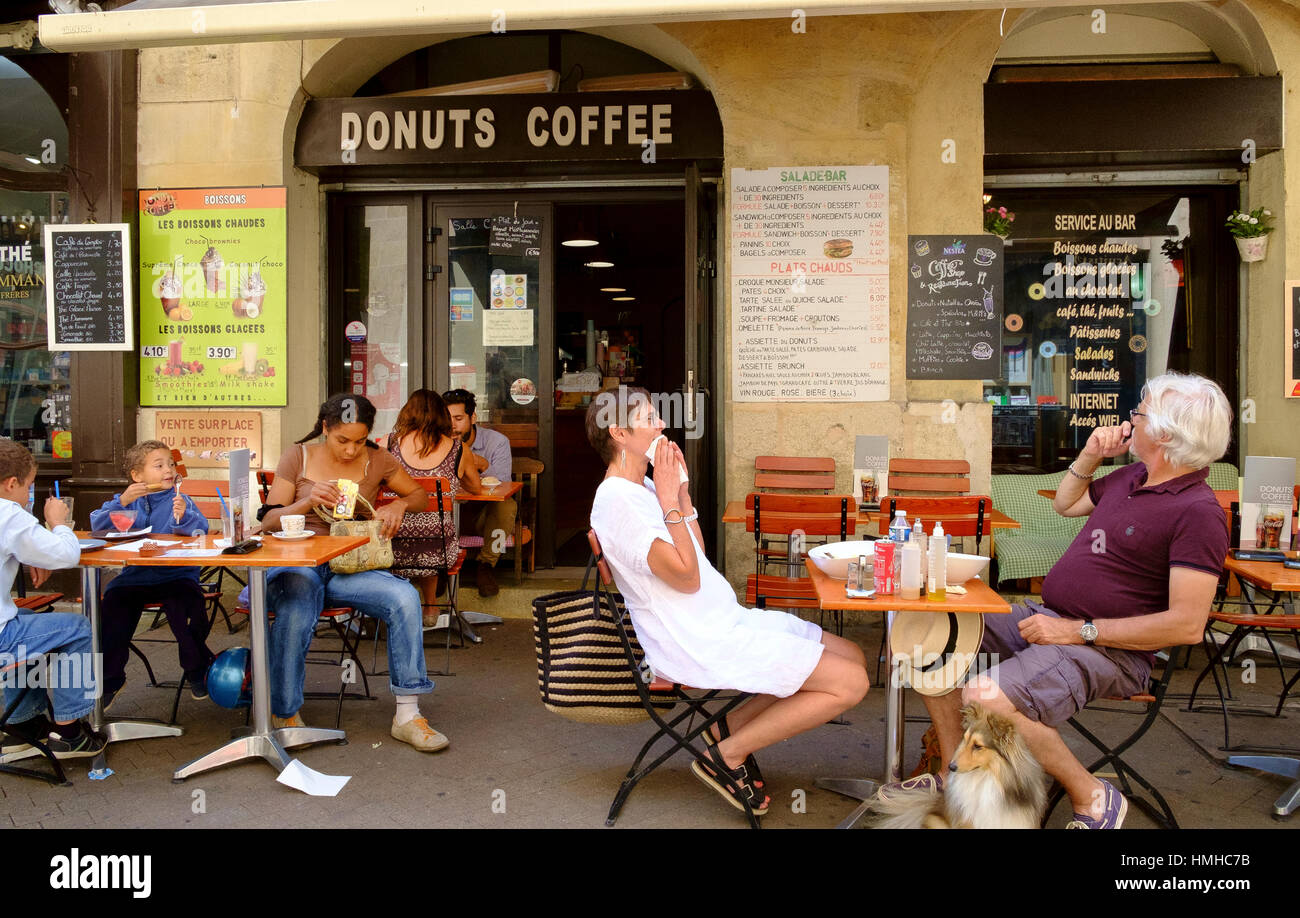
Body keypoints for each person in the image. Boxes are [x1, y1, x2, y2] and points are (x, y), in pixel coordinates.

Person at [905, 371, 1233, 829]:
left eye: (1138, 412)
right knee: (928, 631)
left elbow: (1186, 627)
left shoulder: (1198, 512)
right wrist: (1092, 453)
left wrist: (1077, 631)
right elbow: (1066, 503)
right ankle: (950, 774)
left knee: (986, 694)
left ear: (1163, 433)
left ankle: (1093, 795)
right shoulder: (1133, 476)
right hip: (1051, 619)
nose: (1129, 419)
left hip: (1110, 651)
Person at [586, 387, 870, 815]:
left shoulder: (642, 486)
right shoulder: (616, 504)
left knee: (853, 655)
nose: (662, 425)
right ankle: (728, 754)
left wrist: (679, 496)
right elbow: (685, 577)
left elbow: (695, 552)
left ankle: (725, 727)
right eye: (649, 418)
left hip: (723, 620)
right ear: (620, 433)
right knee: (851, 683)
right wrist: (667, 500)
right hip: (694, 639)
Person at [259, 393, 449, 752]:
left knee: (405, 597)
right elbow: (268, 522)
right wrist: (309, 499)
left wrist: (398, 504)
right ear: (326, 429)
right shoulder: (298, 456)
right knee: (297, 610)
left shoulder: (379, 460)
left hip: (350, 564)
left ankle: (408, 715)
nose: (350, 450)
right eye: (342, 440)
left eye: (359, 441)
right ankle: (284, 714)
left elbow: (420, 496)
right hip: (299, 563)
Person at [0, 439, 106, 759]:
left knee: (31, 622)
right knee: (76, 628)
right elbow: (65, 555)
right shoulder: (8, 513)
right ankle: (69, 733)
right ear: (12, 483)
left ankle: (23, 726)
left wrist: (26, 553)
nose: (28, 495)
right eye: (29, 486)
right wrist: (59, 523)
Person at [88, 440, 212, 707]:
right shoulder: (127, 501)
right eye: (159, 465)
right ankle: (110, 678)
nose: (168, 469)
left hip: (176, 575)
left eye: (171, 464)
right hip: (136, 576)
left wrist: (184, 519)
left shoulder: (181, 499)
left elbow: (202, 530)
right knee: (112, 606)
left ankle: (197, 668)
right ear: (137, 475)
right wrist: (122, 500)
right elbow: (96, 525)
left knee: (188, 610)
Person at [381, 389, 481, 626]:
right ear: (442, 416)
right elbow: (476, 488)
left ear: (407, 413)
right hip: (440, 550)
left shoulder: (388, 444)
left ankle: (397, 605)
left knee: (410, 533)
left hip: (391, 544)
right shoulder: (458, 450)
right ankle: (430, 607)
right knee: (431, 533)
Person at [443, 388, 514, 597]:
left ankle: (486, 566)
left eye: (458, 418)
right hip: (449, 513)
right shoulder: (437, 442)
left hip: (483, 515)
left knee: (508, 506)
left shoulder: (497, 442)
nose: (452, 426)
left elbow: (504, 486)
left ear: (473, 417)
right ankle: (439, 569)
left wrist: (481, 465)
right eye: (447, 419)